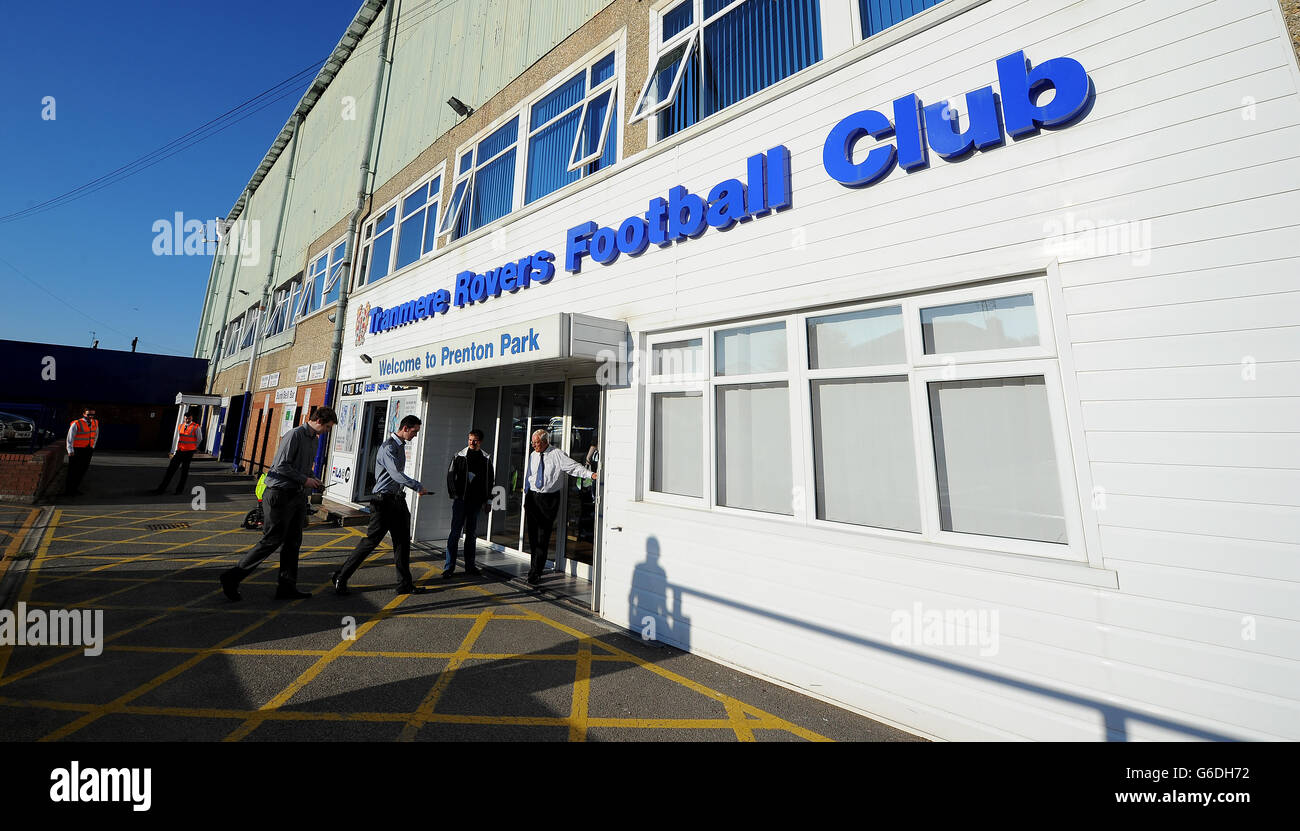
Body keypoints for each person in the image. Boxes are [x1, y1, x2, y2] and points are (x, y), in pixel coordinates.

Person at [219, 407, 337, 601]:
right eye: (328, 427)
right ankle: (233, 576)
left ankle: (287, 587)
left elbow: (305, 469)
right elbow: (281, 465)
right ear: (320, 421)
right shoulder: (295, 435)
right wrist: (304, 480)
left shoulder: (314, 441)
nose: (327, 432)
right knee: (272, 540)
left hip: (297, 496)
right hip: (279, 494)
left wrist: (313, 479)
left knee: (293, 542)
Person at [332, 415, 432, 596]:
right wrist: (417, 486)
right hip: (383, 502)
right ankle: (341, 576)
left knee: (402, 542)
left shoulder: (400, 447)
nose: (415, 435)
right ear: (406, 428)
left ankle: (404, 584)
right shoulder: (388, 448)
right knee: (371, 541)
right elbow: (395, 474)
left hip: (397, 501)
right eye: (415, 431)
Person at [522, 428, 596, 585]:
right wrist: (526, 496)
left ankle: (536, 572)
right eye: (533, 443)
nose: (534, 445)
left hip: (548, 500)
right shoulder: (533, 455)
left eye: (536, 443)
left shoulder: (557, 454)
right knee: (533, 537)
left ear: (545, 441)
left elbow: (573, 467)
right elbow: (529, 475)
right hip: (532, 498)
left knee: (543, 535)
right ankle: (533, 567)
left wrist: (590, 475)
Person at [443, 428, 491, 578]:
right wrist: (455, 494)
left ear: (480, 442)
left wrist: (488, 500)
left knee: (471, 535)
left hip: (475, 502)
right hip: (461, 501)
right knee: (455, 533)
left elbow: (490, 480)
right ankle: (448, 568)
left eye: (475, 440)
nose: (471, 442)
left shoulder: (486, 458)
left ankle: (470, 567)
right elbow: (450, 476)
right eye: (470, 439)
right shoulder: (459, 456)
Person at [153, 409, 202, 495]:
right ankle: (161, 489)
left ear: (192, 418)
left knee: (184, 472)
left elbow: (199, 439)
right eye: (186, 418)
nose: (187, 420)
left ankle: (179, 490)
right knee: (170, 470)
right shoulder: (181, 426)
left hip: (188, 453)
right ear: (184, 418)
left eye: (189, 418)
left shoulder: (196, 427)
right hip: (179, 451)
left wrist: (194, 447)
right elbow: (179, 438)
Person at [64, 407, 99, 497]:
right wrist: (70, 450)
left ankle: (75, 489)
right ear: (84, 414)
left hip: (88, 449)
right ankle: (68, 491)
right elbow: (70, 437)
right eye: (88, 414)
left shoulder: (95, 422)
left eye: (92, 414)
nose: (90, 416)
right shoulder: (77, 423)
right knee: (73, 471)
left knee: (82, 470)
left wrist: (93, 446)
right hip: (76, 450)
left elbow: (96, 435)